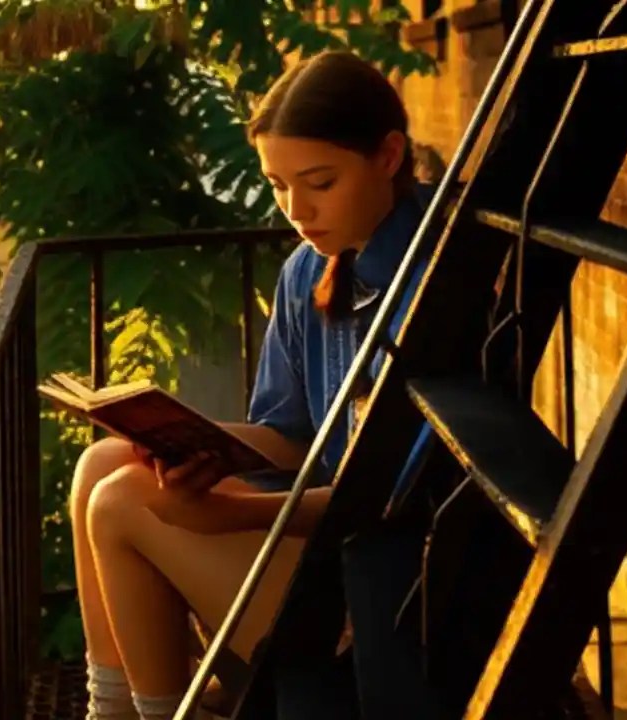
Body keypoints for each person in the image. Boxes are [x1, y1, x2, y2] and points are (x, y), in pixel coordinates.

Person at [69, 50, 435, 720]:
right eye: (277, 185)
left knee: (122, 504)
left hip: (386, 588)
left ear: (388, 157)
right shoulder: (307, 272)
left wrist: (234, 513)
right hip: (321, 544)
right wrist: (177, 439)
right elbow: (292, 436)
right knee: (106, 464)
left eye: (319, 182)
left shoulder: (431, 283)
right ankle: (118, 706)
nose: (297, 209)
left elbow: (389, 501)